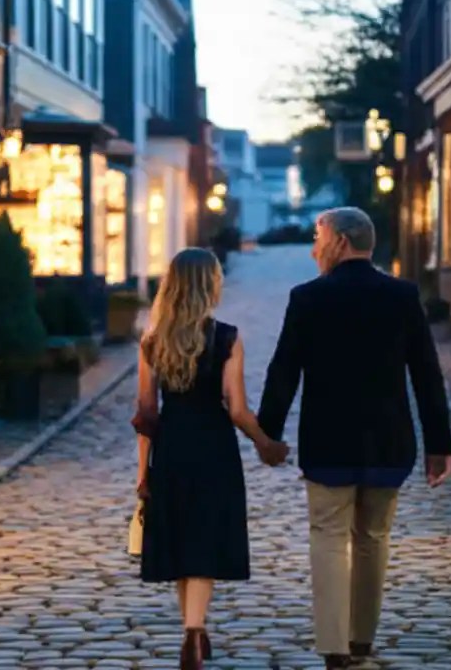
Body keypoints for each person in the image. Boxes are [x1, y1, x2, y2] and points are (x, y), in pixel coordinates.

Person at [257, 207, 451, 670]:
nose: (313, 247)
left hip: (328, 441)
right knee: (373, 538)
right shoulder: (402, 296)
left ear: (342, 242)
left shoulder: (308, 298)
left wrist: (269, 434)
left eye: (318, 236)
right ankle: (361, 639)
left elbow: (283, 371)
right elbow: (427, 375)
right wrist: (438, 444)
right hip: (388, 442)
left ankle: (334, 647)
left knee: (328, 537)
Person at [133, 247, 289, 670]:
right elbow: (236, 408)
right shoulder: (226, 338)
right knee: (203, 540)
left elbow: (146, 416)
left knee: (183, 539)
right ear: (209, 285)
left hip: (172, 447)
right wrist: (264, 442)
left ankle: (193, 628)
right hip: (215, 448)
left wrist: (142, 473)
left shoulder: (151, 342)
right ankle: (193, 632)